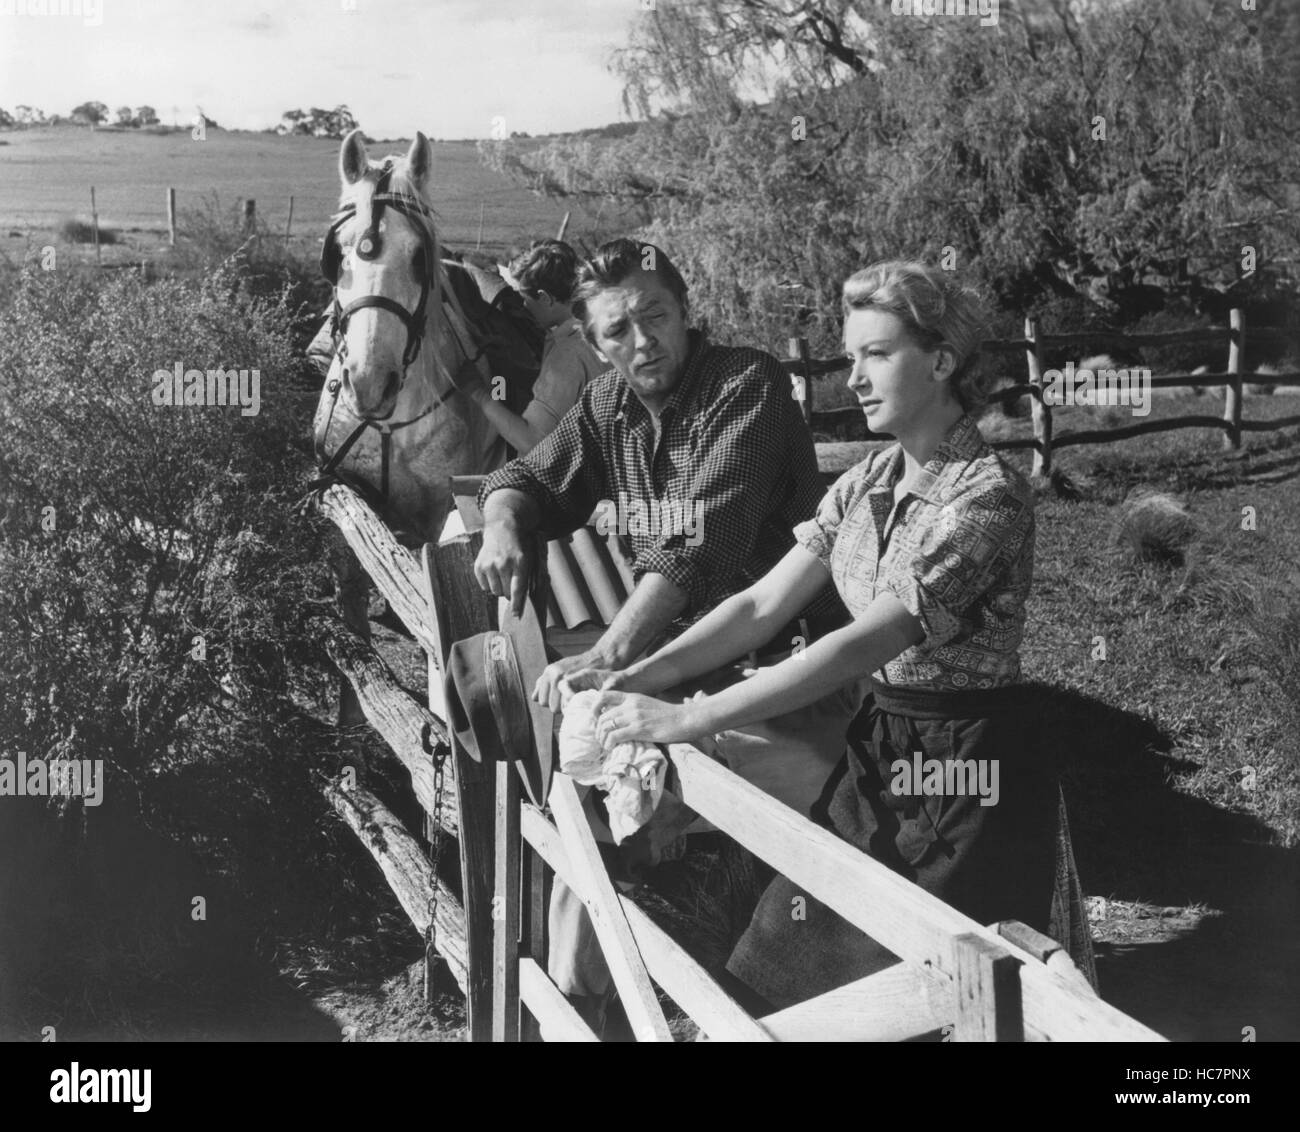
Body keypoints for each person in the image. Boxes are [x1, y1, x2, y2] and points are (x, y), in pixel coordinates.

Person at [590, 260, 1059, 1013]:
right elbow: (759, 605)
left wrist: (688, 719)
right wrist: (639, 675)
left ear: (941, 361)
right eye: (850, 359)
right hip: (875, 747)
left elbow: (862, 643)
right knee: (780, 973)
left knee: (938, 998)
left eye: (877, 355)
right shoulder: (865, 482)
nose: (856, 378)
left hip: (968, 771)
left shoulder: (989, 495)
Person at [472, 237, 861, 1028]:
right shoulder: (607, 407)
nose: (642, 342)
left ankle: (627, 1003)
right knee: (583, 786)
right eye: (617, 332)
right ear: (591, 341)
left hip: (791, 681)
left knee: (605, 777)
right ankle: (580, 1015)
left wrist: (611, 664)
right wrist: (501, 522)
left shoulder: (745, 386)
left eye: (656, 316)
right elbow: (527, 476)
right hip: (686, 673)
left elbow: (698, 549)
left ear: (686, 312)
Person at [463, 239, 606, 454]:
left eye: (524, 298)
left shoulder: (569, 352)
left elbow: (532, 443)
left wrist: (479, 394)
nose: (523, 306)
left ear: (545, 298)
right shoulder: (599, 330)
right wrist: (510, 368)